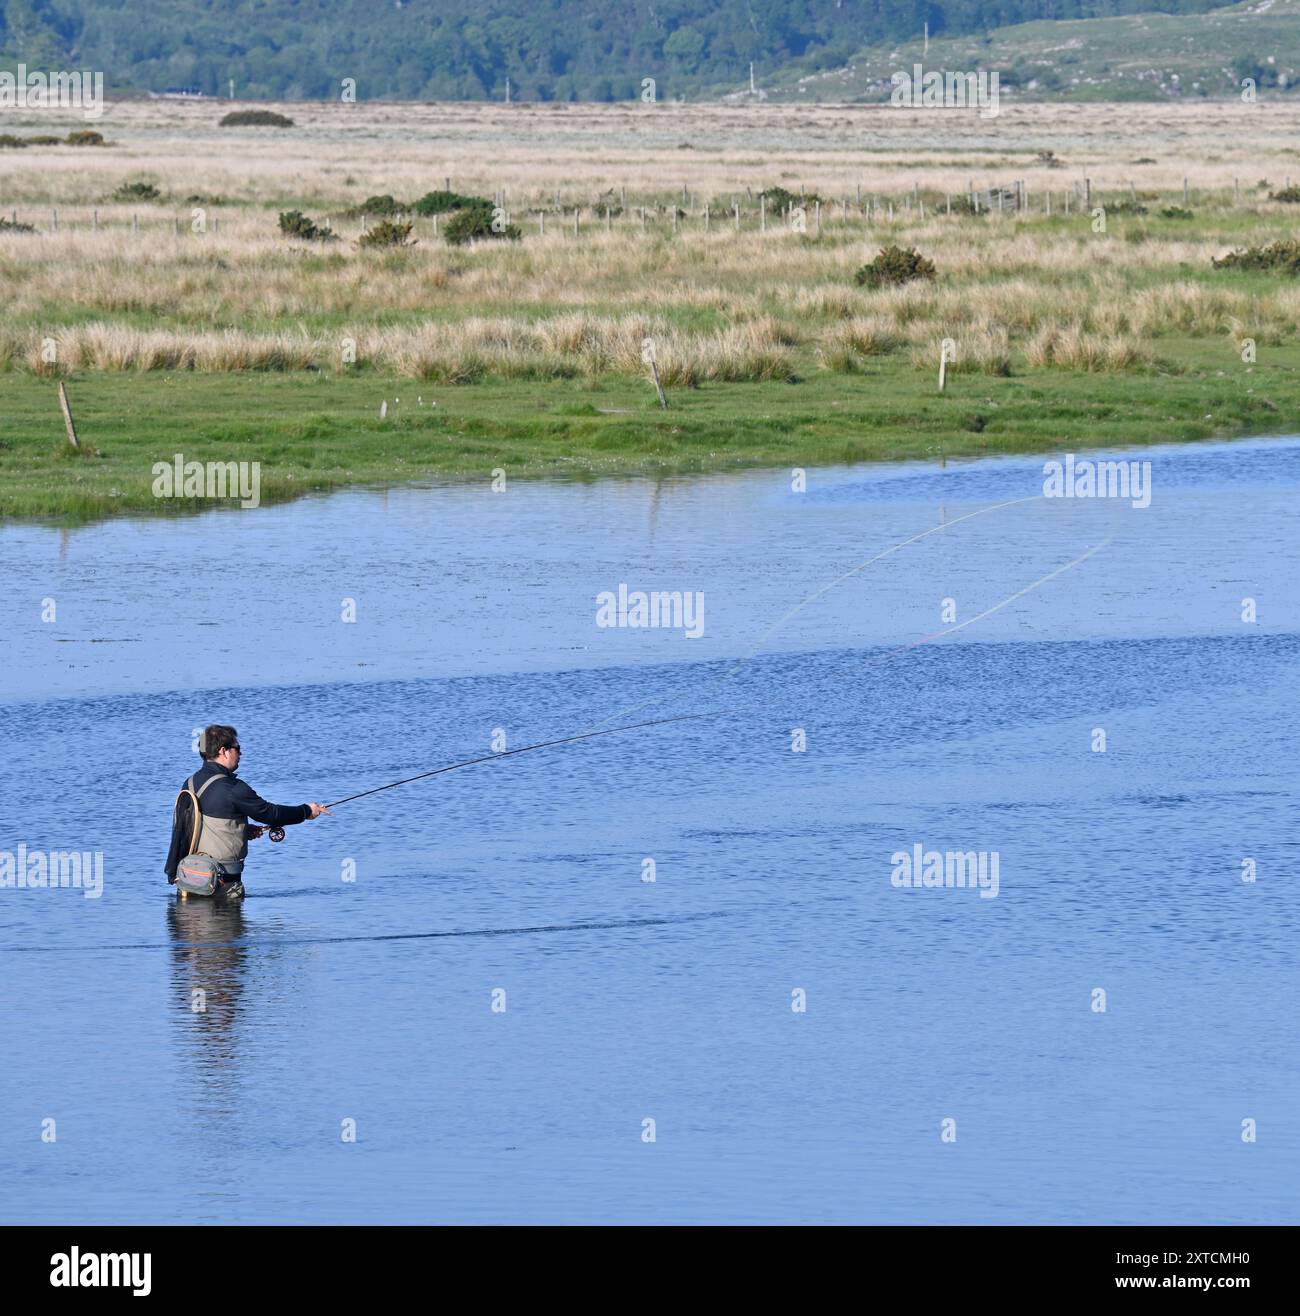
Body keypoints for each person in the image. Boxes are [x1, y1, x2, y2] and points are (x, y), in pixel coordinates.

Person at [165, 724, 331, 898]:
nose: (241, 754)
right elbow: (270, 813)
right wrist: (305, 811)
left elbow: (202, 823)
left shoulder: (190, 783)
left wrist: (242, 830)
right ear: (224, 751)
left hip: (189, 882)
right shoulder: (233, 788)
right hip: (222, 886)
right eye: (237, 748)